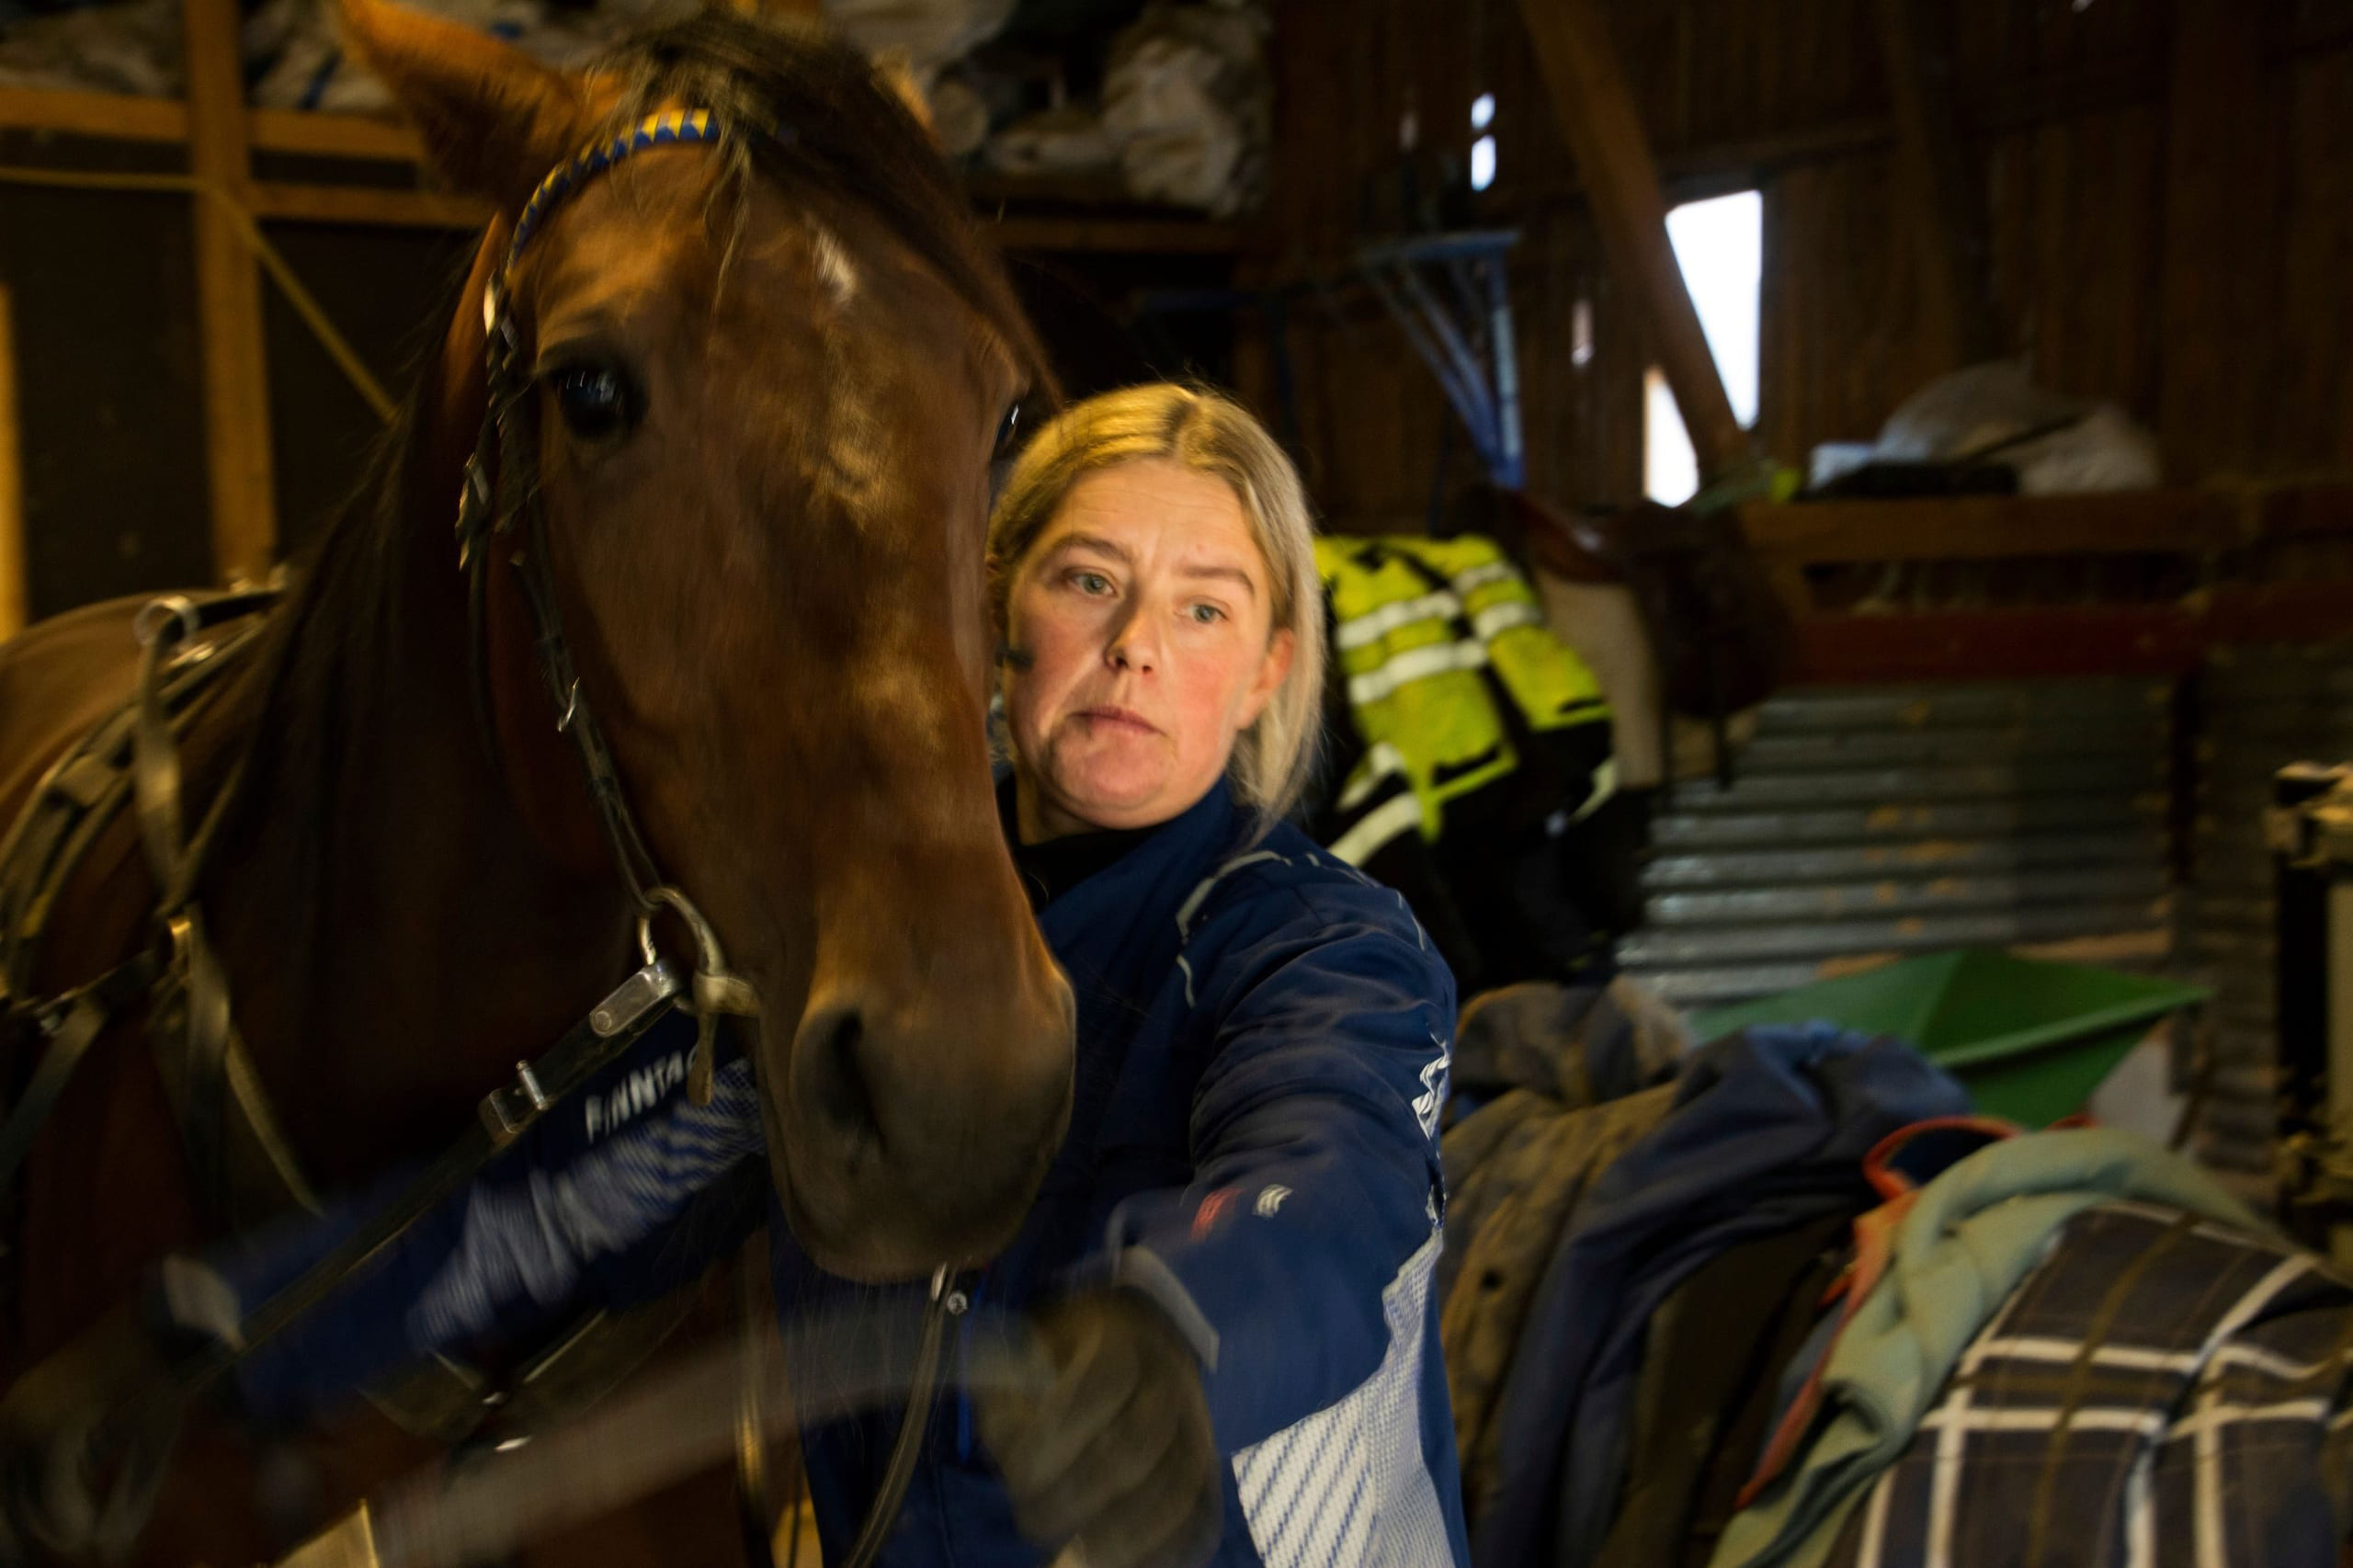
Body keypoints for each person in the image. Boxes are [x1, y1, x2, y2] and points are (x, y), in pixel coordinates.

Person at [1, 384, 1470, 1568]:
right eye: (1092, 579)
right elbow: (561, 1206)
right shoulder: (853, 973)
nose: (1139, 647)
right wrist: (218, 1336)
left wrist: (1174, 1332)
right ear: (993, 613)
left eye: (1206, 607)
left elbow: (1330, 1168)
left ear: (1271, 668)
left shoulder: (1320, 947)